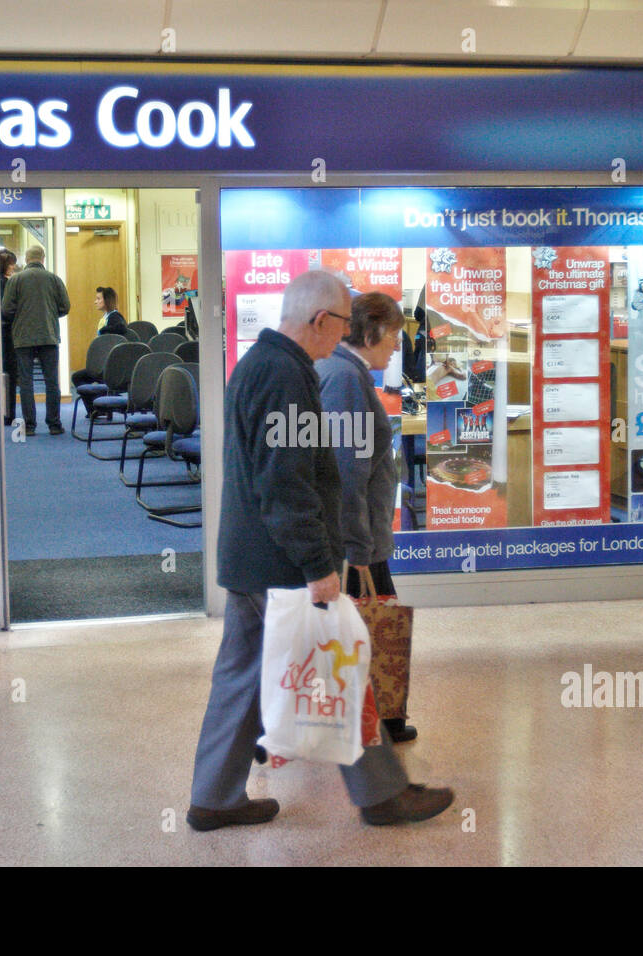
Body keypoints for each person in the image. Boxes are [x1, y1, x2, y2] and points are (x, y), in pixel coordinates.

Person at [187, 271, 453, 832]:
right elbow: (286, 483)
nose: (344, 337)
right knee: (344, 669)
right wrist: (317, 565)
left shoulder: (260, 365)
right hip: (281, 564)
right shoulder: (285, 375)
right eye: (340, 326)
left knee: (239, 678)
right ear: (318, 321)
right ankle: (382, 796)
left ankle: (213, 797)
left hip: (249, 558)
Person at [315, 291, 417, 743]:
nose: (398, 345)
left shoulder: (343, 372)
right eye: (394, 334)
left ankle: (381, 717)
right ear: (372, 331)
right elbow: (347, 470)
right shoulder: (345, 380)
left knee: (372, 631)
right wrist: (357, 549)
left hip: (360, 536)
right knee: (373, 631)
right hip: (357, 542)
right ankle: (375, 724)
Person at [1, 245, 69, 435]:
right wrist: (50, 314)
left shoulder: (16, 280)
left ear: (26, 260)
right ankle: (54, 424)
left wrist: (20, 317)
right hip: (49, 335)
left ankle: (29, 426)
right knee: (52, 381)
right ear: (43, 259)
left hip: (23, 338)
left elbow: (6, 309)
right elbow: (65, 306)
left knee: (26, 382)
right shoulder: (54, 279)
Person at [0, 249, 19, 425]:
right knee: (10, 376)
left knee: (4, 375)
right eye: (11, 263)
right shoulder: (6, 284)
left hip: (0, 334)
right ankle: (9, 413)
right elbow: (9, 310)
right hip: (8, 335)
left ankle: (4, 412)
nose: (13, 267)